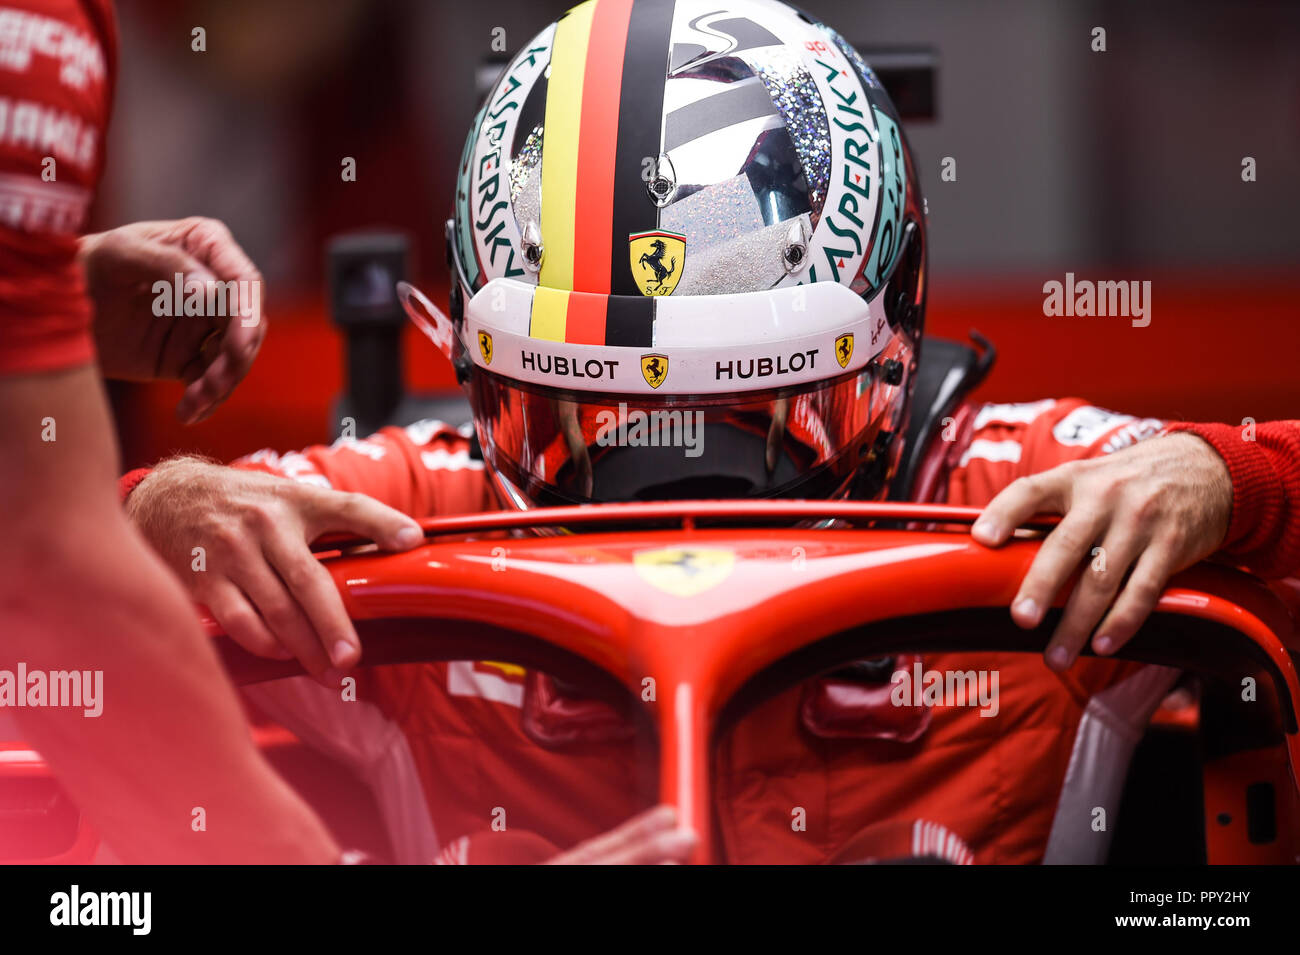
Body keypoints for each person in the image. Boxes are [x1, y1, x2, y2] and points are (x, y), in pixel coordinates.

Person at [121, 0, 1300, 862]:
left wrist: (1235, 477)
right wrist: (156, 510)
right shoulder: (404, 506)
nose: (668, 475)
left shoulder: (1041, 493)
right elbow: (52, 581)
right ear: (486, 368)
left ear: (888, 334)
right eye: (589, 406)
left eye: (754, 401)